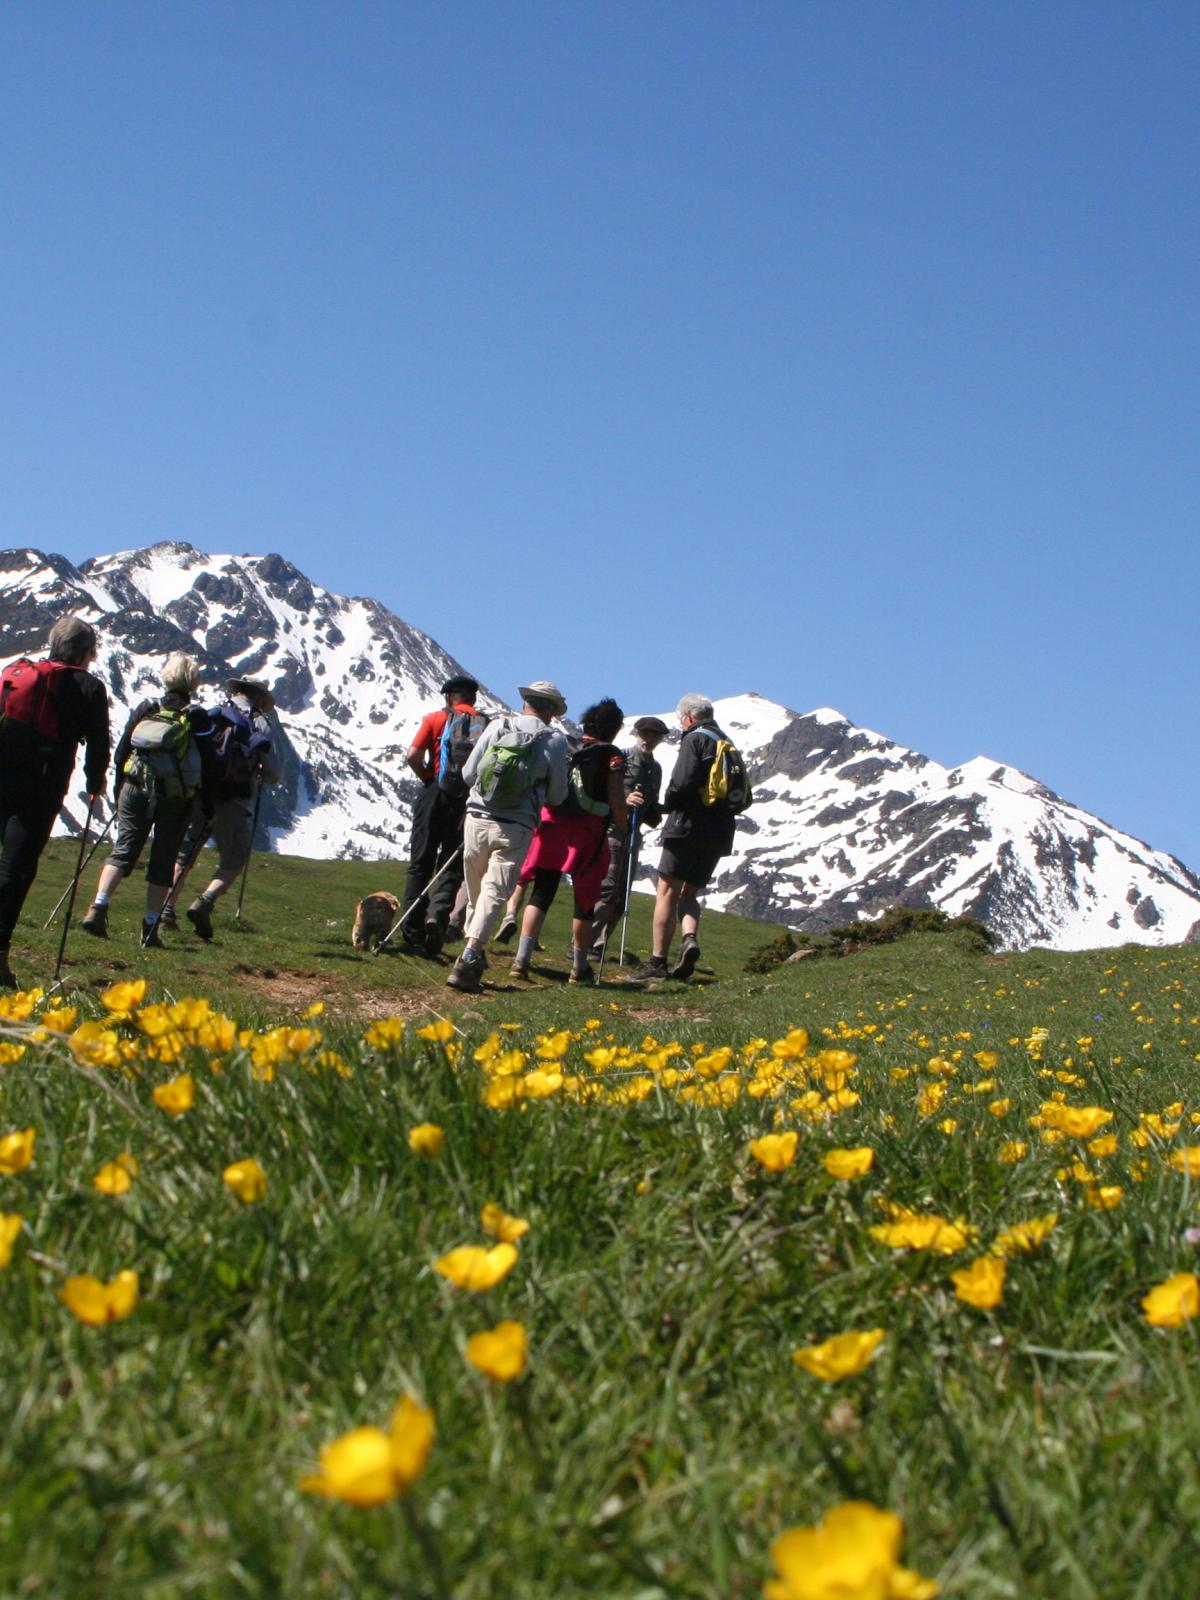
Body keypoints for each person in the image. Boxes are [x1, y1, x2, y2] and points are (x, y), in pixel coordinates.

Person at [0, 616, 110, 988]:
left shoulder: (21, 672)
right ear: (84, 652)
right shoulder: (89, 688)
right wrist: (96, 783)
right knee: (16, 866)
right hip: (42, 785)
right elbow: (98, 745)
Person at [81, 654, 214, 948]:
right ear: (193, 682)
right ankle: (151, 927)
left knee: (124, 849)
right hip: (176, 797)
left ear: (166, 678)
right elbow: (208, 763)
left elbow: (122, 752)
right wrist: (207, 803)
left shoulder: (147, 707)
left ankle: (98, 907)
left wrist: (119, 791)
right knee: (164, 859)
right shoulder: (198, 717)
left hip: (134, 787)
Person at [446, 681, 569, 994]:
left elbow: (468, 774)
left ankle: (471, 956)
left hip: (476, 818)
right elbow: (557, 795)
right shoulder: (554, 740)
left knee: (477, 890)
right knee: (495, 891)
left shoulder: (499, 726)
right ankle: (471, 953)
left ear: (526, 701)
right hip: (516, 826)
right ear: (552, 711)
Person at [509, 698, 628, 987]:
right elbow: (615, 796)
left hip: (552, 825)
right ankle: (578, 967)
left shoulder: (566, 743)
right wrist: (622, 824)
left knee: (542, 891)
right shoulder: (611, 756)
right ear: (613, 729)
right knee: (585, 900)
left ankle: (520, 960)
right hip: (588, 832)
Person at [630, 694, 739, 982]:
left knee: (667, 891)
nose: (681, 724)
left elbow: (681, 783)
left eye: (681, 719)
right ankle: (689, 938)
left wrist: (664, 806)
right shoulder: (726, 742)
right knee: (689, 893)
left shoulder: (695, 740)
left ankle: (657, 963)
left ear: (690, 717)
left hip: (687, 827)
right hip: (719, 832)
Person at [167, 677, 281, 939]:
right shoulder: (260, 723)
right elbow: (274, 773)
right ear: (260, 698)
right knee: (234, 859)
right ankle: (205, 902)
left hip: (203, 794)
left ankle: (165, 911)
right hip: (234, 800)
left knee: (184, 857)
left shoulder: (215, 713)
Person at [398, 675, 484, 956]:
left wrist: (427, 777)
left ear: (449, 697)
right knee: (452, 863)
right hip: (466, 799)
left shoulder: (435, 719)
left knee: (420, 861)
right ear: (473, 698)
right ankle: (437, 916)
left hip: (435, 791)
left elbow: (412, 755)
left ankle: (412, 930)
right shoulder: (486, 725)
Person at [589, 714, 668, 963]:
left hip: (634, 834)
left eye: (655, 735)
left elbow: (652, 804)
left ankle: (600, 943)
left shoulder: (656, 769)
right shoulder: (622, 758)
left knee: (622, 892)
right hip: (612, 830)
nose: (649, 739)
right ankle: (586, 943)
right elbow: (603, 792)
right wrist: (623, 802)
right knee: (607, 886)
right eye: (645, 733)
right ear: (636, 734)